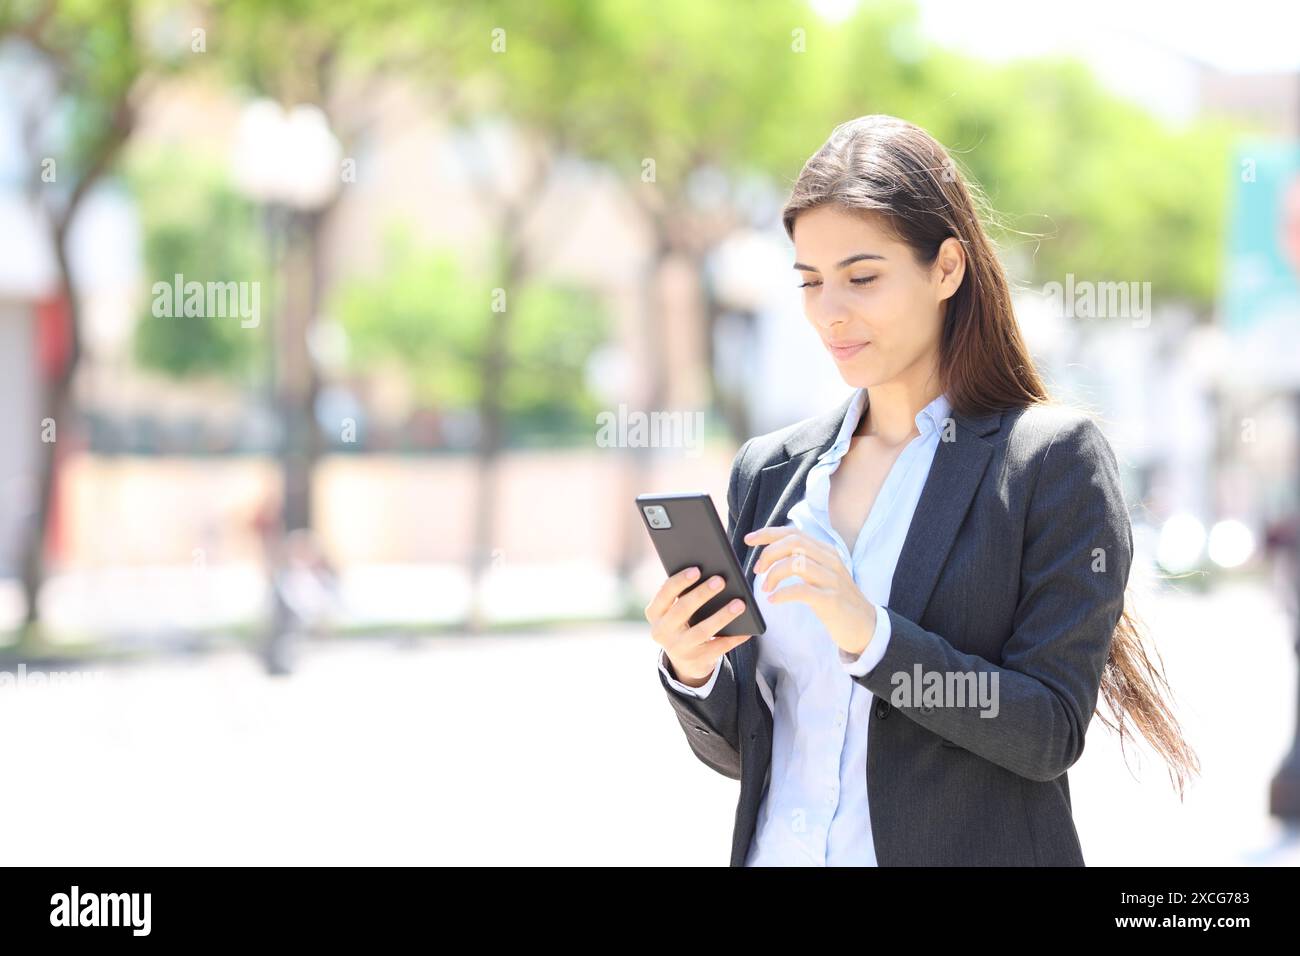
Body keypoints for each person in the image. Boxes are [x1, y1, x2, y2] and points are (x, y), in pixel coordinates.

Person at [646, 115, 1198, 866]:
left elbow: (1046, 731)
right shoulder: (771, 471)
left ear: (947, 268)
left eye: (862, 277)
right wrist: (695, 667)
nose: (830, 312)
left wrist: (869, 634)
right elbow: (757, 752)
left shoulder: (1049, 462)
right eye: (809, 283)